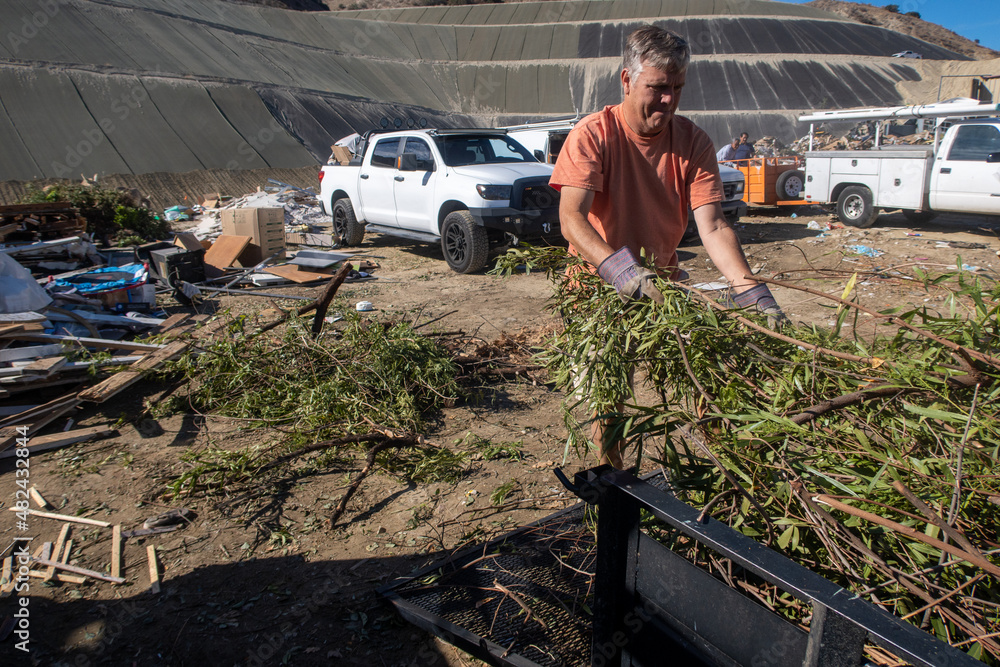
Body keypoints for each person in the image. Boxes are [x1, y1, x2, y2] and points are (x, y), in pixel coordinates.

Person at [549, 25, 785, 469]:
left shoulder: (693, 142)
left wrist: (752, 291)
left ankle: (728, 470)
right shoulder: (594, 134)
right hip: (597, 291)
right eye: (657, 88)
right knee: (610, 391)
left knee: (707, 372)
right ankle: (611, 477)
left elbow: (712, 226)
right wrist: (620, 271)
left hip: (663, 289)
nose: (668, 101)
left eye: (677, 89)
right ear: (626, 80)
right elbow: (571, 219)